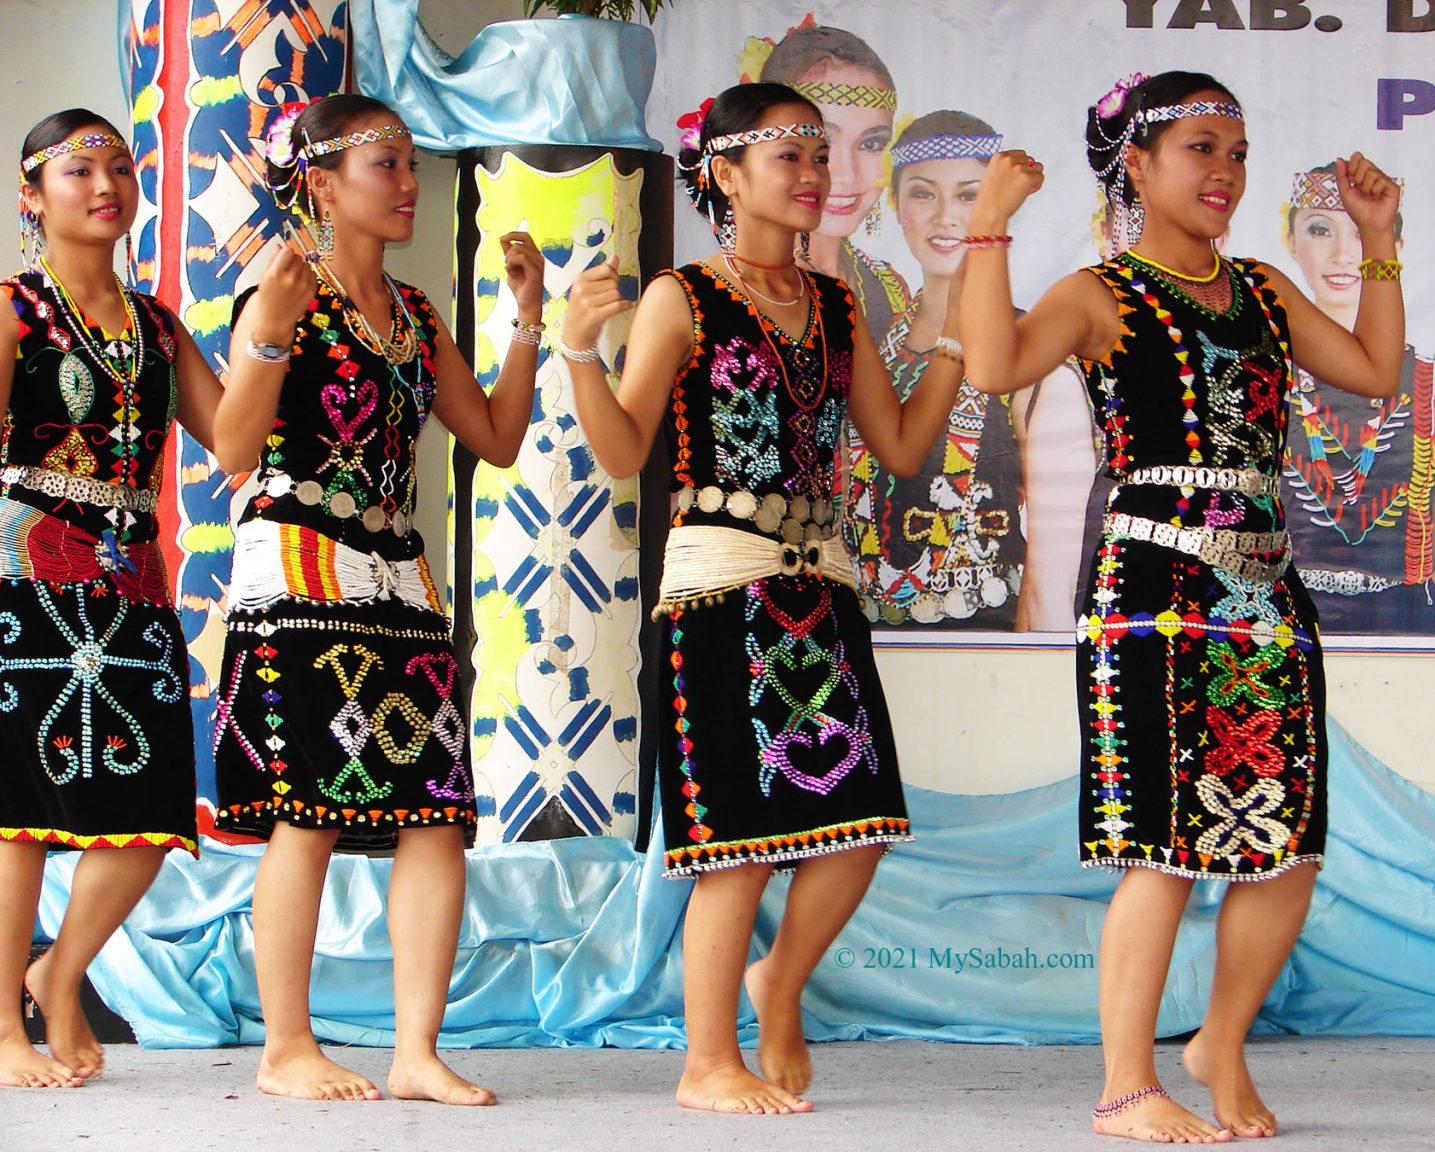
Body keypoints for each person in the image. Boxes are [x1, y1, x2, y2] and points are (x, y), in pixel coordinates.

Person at [959, 72, 1404, 1141]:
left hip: (1265, 593)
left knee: (1287, 847)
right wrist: (986, 230)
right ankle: (1125, 1085)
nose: (1225, 173)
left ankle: (1219, 1044)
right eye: (1202, 148)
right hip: (1151, 592)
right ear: (1139, 165)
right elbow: (990, 360)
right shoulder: (1099, 292)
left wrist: (1380, 240)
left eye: (1238, 152)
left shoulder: (1260, 287)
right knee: (1162, 845)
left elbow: (1378, 369)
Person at [562, 81, 962, 1114]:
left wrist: (952, 331)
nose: (817, 176)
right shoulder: (680, 298)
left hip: (820, 585)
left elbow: (906, 445)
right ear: (726, 176)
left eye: (822, 156)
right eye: (791, 155)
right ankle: (706, 1063)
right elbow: (621, 448)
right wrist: (573, 351)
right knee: (734, 844)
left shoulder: (835, 305)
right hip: (718, 587)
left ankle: (776, 983)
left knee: (862, 822)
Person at [210, 94, 543, 1105]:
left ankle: (415, 1051)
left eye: (409, 165)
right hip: (302, 568)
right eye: (385, 166)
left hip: (399, 577)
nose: (407, 184)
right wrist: (266, 327)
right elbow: (231, 452)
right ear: (319, 182)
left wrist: (527, 319)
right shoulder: (282, 294)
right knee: (306, 816)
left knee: (437, 816)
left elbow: (492, 436)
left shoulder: (416, 314)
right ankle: (285, 1049)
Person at [0, 109, 223, 1088]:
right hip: (24, 583)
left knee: (151, 810)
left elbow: (242, 444)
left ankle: (62, 973)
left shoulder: (160, 329)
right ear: (31, 196)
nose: (106, 183)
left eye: (122, 166)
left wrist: (263, 338)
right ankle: (3, 1033)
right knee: (19, 820)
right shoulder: (12, 310)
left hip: (132, 588)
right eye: (79, 167)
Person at [844, 110, 1027, 629]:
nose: (947, 216)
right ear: (896, 205)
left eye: (969, 196)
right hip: (863, 630)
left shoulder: (1026, 343)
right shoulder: (871, 343)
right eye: (924, 194)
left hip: (990, 631)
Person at [1280, 165, 1435, 634]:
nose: (1344, 255)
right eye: (1321, 230)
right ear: (1290, 242)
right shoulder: (1258, 375)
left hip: (1402, 628)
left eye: (1362, 234)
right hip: (1278, 625)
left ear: (1394, 250)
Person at [754, 21, 910, 342]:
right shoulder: (734, 289)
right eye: (824, 142)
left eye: (870, 144)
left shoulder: (888, 286)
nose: (847, 174)